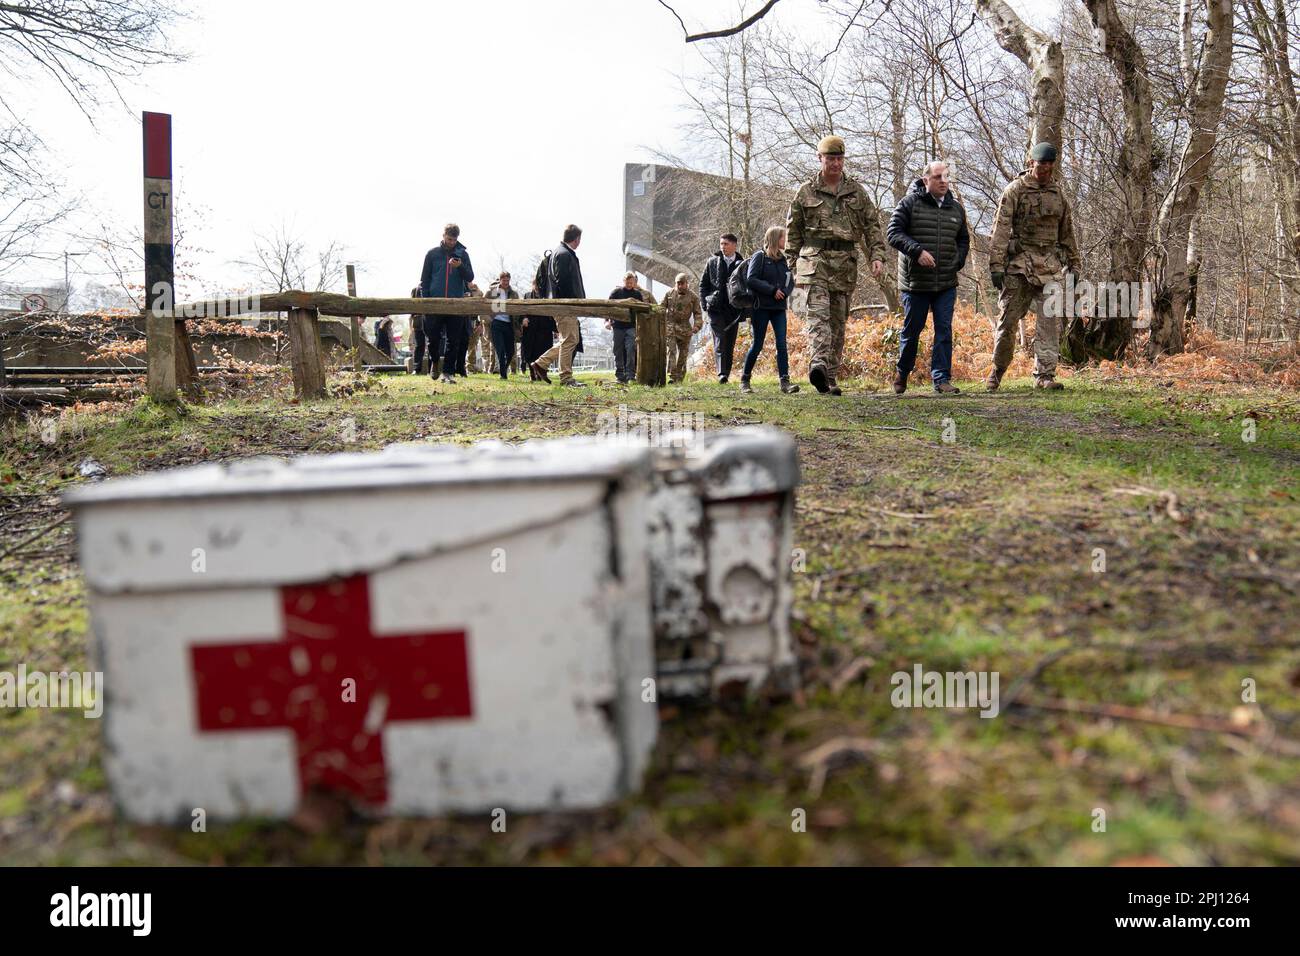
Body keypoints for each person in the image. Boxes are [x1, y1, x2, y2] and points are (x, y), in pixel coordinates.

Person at [785, 135, 887, 396]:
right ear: (820, 159)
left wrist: (877, 256)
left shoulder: (856, 192)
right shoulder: (805, 191)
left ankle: (828, 378)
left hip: (844, 264)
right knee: (818, 318)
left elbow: (872, 226)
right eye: (831, 159)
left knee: (838, 323)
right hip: (814, 262)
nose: (836, 164)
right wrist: (792, 264)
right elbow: (793, 229)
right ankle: (817, 364)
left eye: (840, 159)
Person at [986, 142, 1082, 391]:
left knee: (1049, 323)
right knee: (1007, 322)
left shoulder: (1058, 195)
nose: (1046, 169)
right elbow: (1000, 230)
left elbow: (1067, 232)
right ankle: (997, 371)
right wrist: (996, 265)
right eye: (1042, 164)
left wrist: (1074, 265)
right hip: (1019, 266)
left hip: (1049, 266)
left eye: (1050, 165)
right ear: (1031, 163)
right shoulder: (1014, 191)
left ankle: (1045, 375)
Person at [887, 160, 970, 395]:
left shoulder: (956, 208)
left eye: (946, 177)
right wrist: (917, 251)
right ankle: (902, 372)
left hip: (945, 281)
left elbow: (963, 240)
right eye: (938, 177)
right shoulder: (909, 203)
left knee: (944, 329)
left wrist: (958, 261)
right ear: (926, 180)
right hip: (916, 283)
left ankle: (941, 379)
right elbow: (893, 233)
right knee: (912, 330)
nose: (943, 181)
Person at [740, 226, 799, 395]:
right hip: (762, 308)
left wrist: (785, 293)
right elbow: (751, 279)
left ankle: (785, 382)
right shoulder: (760, 256)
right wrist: (772, 290)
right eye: (783, 238)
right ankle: (745, 380)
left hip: (779, 308)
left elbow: (790, 281)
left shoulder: (783, 259)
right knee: (757, 344)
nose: (785, 241)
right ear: (775, 239)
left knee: (782, 344)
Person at [531, 224, 586, 387]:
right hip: (565, 305)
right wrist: (573, 301)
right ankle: (566, 378)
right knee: (570, 340)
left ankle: (541, 364)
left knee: (570, 339)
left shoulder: (560, 252)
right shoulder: (563, 254)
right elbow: (563, 281)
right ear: (576, 239)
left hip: (564, 304)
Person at [419, 223, 474, 383]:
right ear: (443, 236)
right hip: (435, 303)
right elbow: (425, 279)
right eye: (449, 239)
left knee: (454, 340)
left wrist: (460, 266)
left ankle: (448, 372)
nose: (451, 242)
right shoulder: (432, 254)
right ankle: (435, 361)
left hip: (455, 303)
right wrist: (426, 302)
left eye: (454, 239)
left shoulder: (462, 254)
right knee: (433, 338)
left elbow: (470, 277)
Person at [699, 233, 744, 383]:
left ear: (734, 245)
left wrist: (745, 307)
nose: (723, 247)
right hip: (715, 309)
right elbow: (703, 285)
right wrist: (705, 304)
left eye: (726, 244)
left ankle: (726, 374)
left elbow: (748, 286)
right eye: (721, 244)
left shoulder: (742, 263)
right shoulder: (712, 262)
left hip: (733, 310)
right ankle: (721, 374)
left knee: (730, 342)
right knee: (719, 340)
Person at [661, 272, 703, 384]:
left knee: (683, 353)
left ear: (686, 283)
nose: (680, 286)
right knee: (671, 351)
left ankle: (679, 376)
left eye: (682, 283)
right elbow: (661, 308)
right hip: (671, 326)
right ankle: (672, 375)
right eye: (678, 284)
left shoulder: (693, 297)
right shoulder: (669, 294)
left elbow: (698, 313)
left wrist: (697, 326)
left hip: (685, 327)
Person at [607, 271, 644, 384]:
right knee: (617, 350)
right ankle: (619, 374)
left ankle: (630, 375)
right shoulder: (616, 292)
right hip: (617, 326)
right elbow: (608, 307)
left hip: (631, 327)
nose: (629, 284)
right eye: (627, 282)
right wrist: (607, 321)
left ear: (634, 283)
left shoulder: (638, 294)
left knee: (631, 350)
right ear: (624, 281)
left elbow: (641, 311)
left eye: (631, 282)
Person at [483, 271, 520, 380]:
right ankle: (503, 374)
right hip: (496, 323)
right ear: (500, 280)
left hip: (508, 324)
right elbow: (483, 306)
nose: (506, 282)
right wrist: (488, 320)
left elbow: (517, 310)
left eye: (508, 280)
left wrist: (518, 326)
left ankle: (503, 368)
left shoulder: (513, 293)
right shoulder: (492, 291)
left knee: (510, 351)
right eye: (504, 280)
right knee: (500, 349)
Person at [520, 277, 557, 379]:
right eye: (534, 284)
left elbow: (552, 313)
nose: (536, 286)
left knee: (543, 352)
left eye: (538, 284)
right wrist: (524, 319)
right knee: (530, 352)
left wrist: (556, 329)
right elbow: (523, 311)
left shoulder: (547, 296)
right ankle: (532, 373)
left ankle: (540, 373)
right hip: (530, 329)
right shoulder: (527, 296)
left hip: (544, 330)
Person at [408, 286, 428, 374]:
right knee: (419, 345)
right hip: (419, 321)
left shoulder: (426, 289)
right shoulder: (416, 290)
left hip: (426, 319)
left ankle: (429, 367)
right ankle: (417, 368)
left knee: (429, 344)